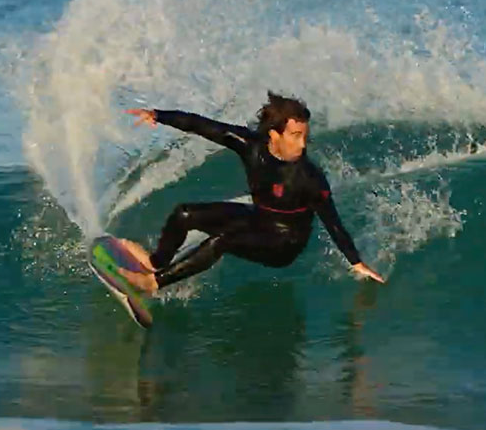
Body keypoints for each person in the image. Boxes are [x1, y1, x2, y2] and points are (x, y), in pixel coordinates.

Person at [115, 92, 384, 294]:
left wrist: (356, 262)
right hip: (259, 218)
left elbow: (333, 222)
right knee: (184, 214)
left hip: (284, 243)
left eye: (305, 136)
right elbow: (203, 125)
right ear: (274, 135)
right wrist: (158, 116)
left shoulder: (310, 178)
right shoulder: (251, 146)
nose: (303, 144)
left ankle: (152, 283)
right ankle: (155, 262)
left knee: (223, 240)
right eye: (295, 135)